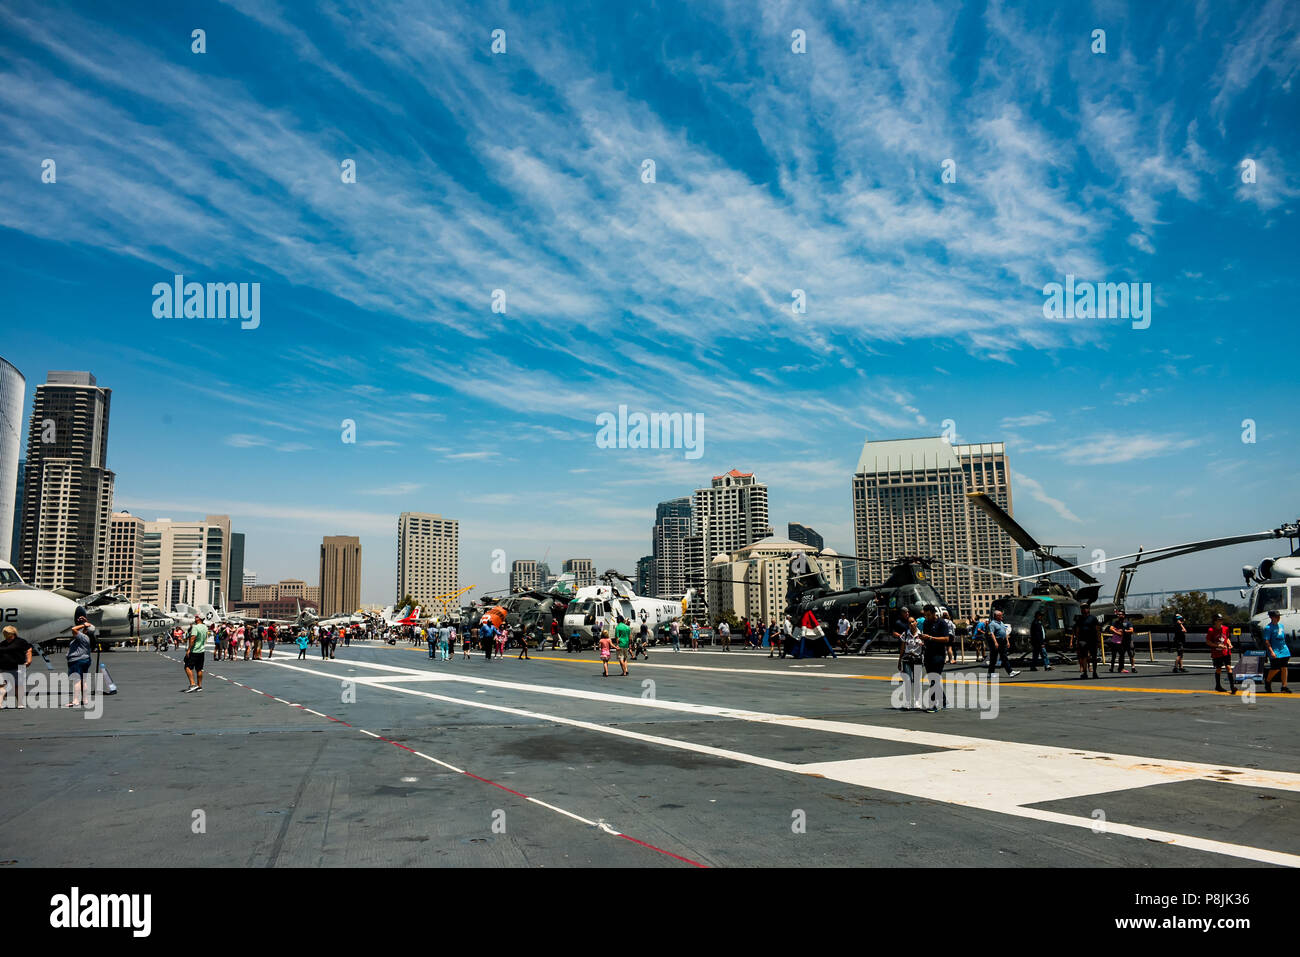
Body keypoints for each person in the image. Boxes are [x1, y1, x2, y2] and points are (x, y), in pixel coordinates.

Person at [921, 614, 951, 712]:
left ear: (933, 613)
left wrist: (930, 638)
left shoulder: (942, 623)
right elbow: (926, 637)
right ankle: (944, 701)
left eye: (927, 613)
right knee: (933, 680)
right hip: (928, 654)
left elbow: (946, 639)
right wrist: (923, 639)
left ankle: (933, 705)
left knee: (934, 679)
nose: (926, 617)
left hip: (939, 655)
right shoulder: (926, 623)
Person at [66, 611, 96, 708]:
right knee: (83, 680)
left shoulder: (82, 637)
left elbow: (73, 629)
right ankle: (85, 699)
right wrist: (86, 622)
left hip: (76, 660)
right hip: (85, 659)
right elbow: (87, 629)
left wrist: (83, 624)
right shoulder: (87, 638)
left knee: (77, 680)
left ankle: (75, 701)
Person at [0, 625, 33, 709]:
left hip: (18, 667)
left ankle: (20, 703)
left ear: (13, 633)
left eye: (9, 635)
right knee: (1, 686)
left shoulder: (21, 642)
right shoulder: (2, 644)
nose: (7, 637)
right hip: (4, 668)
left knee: (18, 686)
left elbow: (29, 649)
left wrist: (29, 660)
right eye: (5, 635)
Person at [896, 615, 924, 710]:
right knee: (907, 681)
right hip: (907, 659)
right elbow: (902, 648)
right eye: (909, 622)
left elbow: (925, 647)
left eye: (913, 622)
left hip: (917, 659)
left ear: (916, 622)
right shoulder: (905, 634)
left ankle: (917, 702)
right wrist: (899, 660)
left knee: (917, 681)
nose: (911, 624)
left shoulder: (921, 634)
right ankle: (907, 702)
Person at [986, 609, 1020, 678]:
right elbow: (992, 634)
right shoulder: (992, 624)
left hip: (1003, 641)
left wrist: (1007, 641)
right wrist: (995, 642)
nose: (1002, 617)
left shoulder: (1001, 622)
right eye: (1001, 615)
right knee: (993, 658)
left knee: (1004, 657)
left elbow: (1005, 632)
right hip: (996, 641)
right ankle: (990, 673)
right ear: (997, 616)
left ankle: (1010, 672)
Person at [1207, 613, 1236, 694]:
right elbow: (1208, 642)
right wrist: (1217, 645)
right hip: (1216, 653)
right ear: (1215, 621)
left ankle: (1232, 687)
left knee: (1228, 667)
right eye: (1219, 620)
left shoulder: (1226, 629)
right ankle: (1218, 685)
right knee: (1219, 668)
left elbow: (1227, 638)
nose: (1221, 621)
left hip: (1226, 651)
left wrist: (1230, 644)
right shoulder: (1211, 630)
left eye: (1221, 620)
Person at [1263, 610, 1291, 694]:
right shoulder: (1268, 628)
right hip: (1275, 650)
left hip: (1284, 649)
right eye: (1276, 616)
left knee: (1284, 668)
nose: (1278, 618)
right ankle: (1267, 681)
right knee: (1275, 668)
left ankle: (1284, 686)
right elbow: (1267, 641)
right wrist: (1271, 651)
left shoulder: (1281, 626)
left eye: (1279, 616)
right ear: (1272, 617)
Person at [1074, 604, 1101, 679]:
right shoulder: (1079, 619)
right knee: (1084, 657)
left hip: (1092, 640)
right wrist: (1077, 641)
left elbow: (1097, 629)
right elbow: (1077, 630)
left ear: (1089, 609)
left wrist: (1099, 641)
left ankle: (1094, 672)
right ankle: (1085, 672)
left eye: (1086, 608)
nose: (1084, 609)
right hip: (1083, 640)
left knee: (1094, 657)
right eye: (1083, 608)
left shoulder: (1093, 618)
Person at [184, 615, 208, 693]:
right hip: (201, 650)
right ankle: (199, 686)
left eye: (196, 617)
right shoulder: (205, 627)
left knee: (187, 667)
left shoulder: (195, 627)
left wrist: (189, 650)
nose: (195, 618)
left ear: (199, 619)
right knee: (199, 669)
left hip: (194, 650)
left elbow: (192, 638)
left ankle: (192, 684)